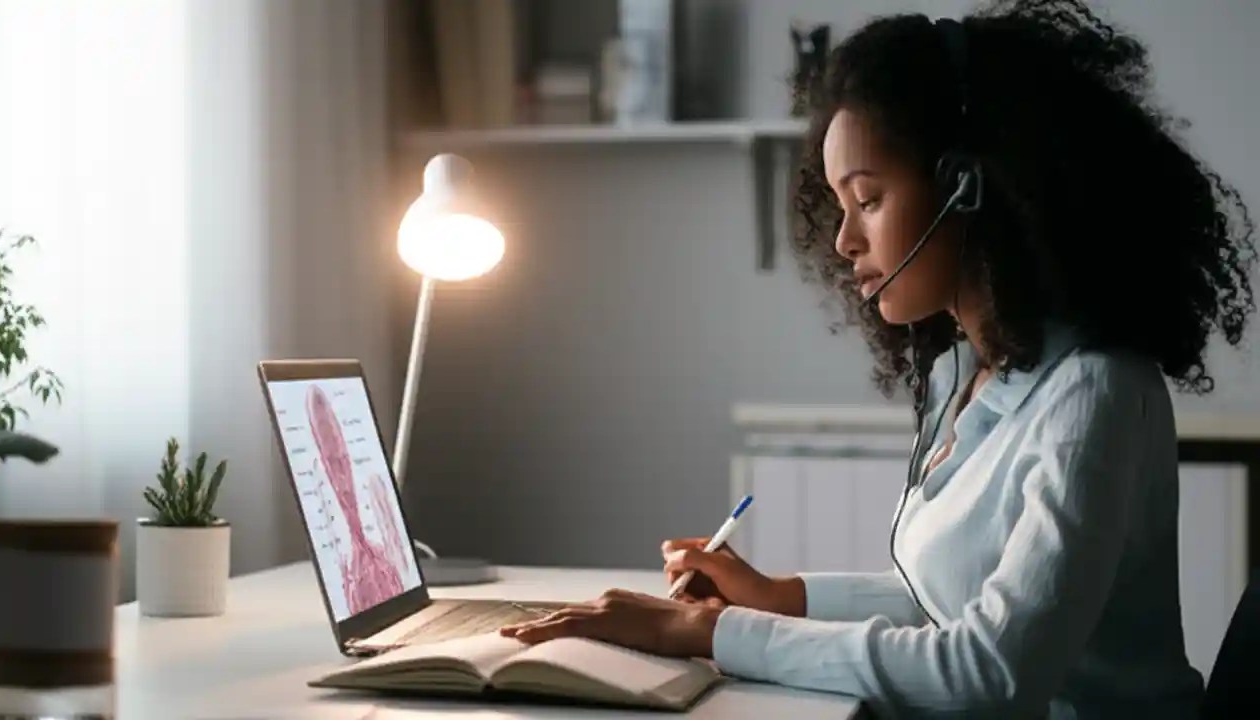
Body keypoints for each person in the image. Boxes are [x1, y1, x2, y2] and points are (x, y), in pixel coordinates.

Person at [500, 0, 1257, 716]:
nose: (844, 240)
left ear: (965, 187)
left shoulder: (1096, 391)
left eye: (867, 199)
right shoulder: (967, 375)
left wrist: (703, 634)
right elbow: (944, 603)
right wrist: (774, 597)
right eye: (839, 205)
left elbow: (990, 672)